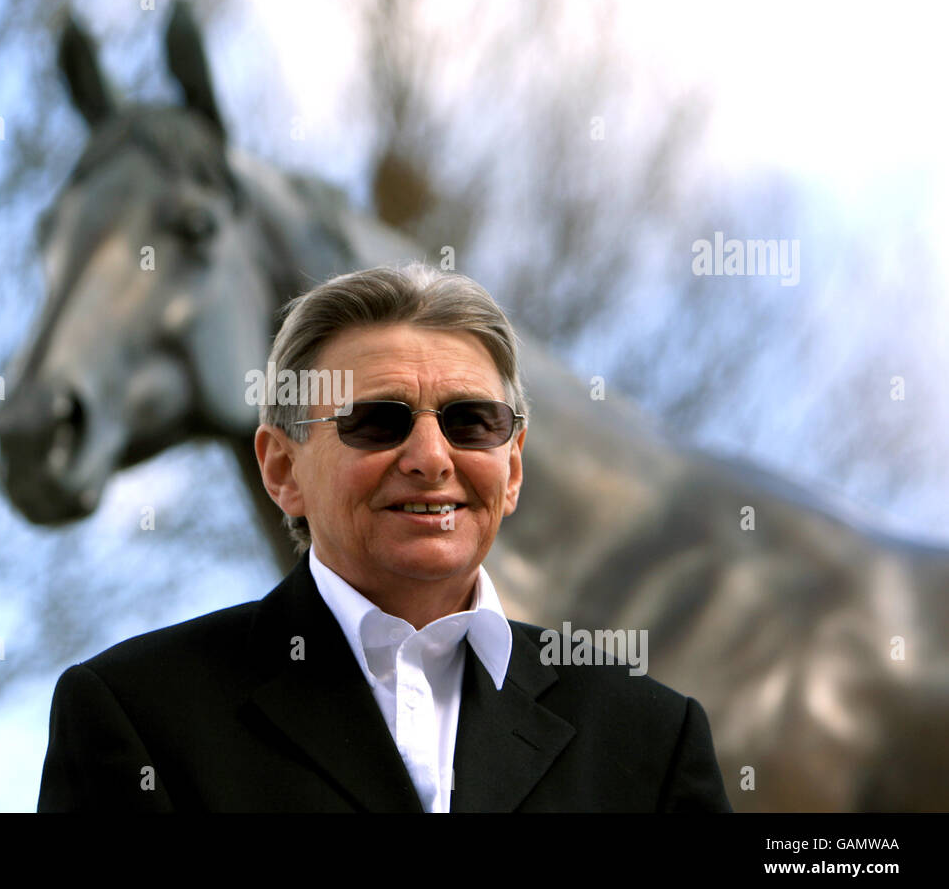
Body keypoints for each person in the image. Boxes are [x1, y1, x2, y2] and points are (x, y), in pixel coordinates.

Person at [36, 263, 733, 812]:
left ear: (512, 467)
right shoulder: (135, 718)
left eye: (470, 422)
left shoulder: (650, 740)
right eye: (376, 421)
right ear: (283, 469)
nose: (432, 456)